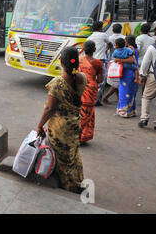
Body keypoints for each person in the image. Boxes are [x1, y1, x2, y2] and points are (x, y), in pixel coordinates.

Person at [35, 46, 87, 193]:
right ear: (76, 62)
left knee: (63, 158)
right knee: (73, 153)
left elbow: (49, 109)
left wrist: (39, 126)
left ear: (61, 62)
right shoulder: (82, 78)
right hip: (75, 123)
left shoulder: (57, 83)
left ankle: (69, 187)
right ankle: (78, 181)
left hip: (60, 128)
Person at [138, 30, 156, 130]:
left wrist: (142, 75)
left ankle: (144, 118)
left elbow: (145, 63)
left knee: (146, 97)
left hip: (153, 75)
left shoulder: (153, 47)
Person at [79, 40, 103, 144]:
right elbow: (100, 80)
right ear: (94, 50)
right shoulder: (97, 63)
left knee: (78, 111)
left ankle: (74, 135)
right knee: (88, 112)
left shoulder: (78, 59)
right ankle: (83, 136)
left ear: (83, 49)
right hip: (90, 89)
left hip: (79, 87)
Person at [86, 21, 111, 106]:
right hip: (101, 61)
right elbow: (110, 44)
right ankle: (97, 101)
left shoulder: (89, 37)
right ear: (101, 28)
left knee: (91, 80)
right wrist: (106, 49)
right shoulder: (103, 35)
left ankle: (90, 98)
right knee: (101, 82)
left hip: (91, 61)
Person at [113, 38, 138, 118]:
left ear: (116, 45)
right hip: (124, 73)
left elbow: (131, 60)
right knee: (126, 91)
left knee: (125, 92)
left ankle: (125, 112)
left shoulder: (117, 51)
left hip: (128, 73)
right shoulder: (128, 50)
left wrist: (119, 60)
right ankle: (130, 111)